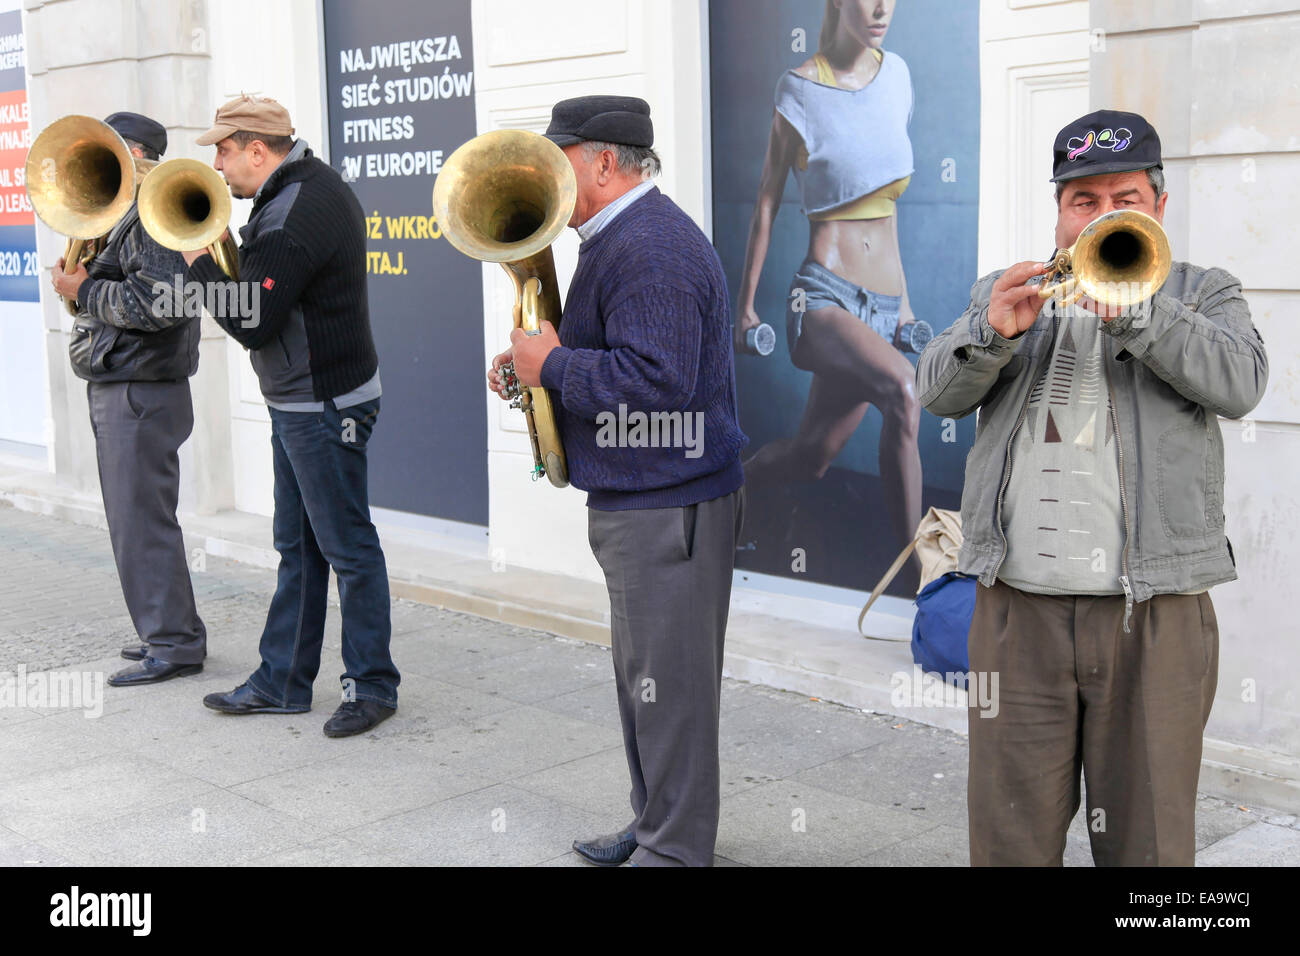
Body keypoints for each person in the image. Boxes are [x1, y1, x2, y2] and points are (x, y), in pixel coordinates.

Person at [916, 109, 1269, 865]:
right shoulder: (1007, 287)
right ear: (1059, 210)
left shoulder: (1204, 292)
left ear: (1158, 206)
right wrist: (992, 332)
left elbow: (1241, 383)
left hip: (1153, 617)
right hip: (1017, 614)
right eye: (1083, 200)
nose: (1103, 215)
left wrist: (1141, 311)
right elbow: (936, 392)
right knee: (1009, 836)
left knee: (1147, 843)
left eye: (1125, 198)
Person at [486, 95, 747, 866]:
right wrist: (534, 373)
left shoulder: (650, 246)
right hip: (649, 500)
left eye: (556, 159)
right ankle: (657, 825)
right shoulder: (620, 236)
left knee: (670, 694)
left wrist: (554, 365)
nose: (542, 177)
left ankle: (673, 850)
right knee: (649, 688)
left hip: (669, 504)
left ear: (603, 162)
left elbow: (659, 383)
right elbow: (629, 358)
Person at [182, 95, 399, 738]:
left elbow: (253, 320)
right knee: (300, 547)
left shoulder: (291, 212)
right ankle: (283, 680)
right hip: (309, 399)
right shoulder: (303, 187)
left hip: (321, 404)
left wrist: (199, 266)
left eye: (223, 150)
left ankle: (372, 687)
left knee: (346, 546)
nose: (217, 165)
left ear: (258, 150)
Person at [735, 0, 924, 590]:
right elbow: (766, 200)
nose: (880, 8)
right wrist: (745, 307)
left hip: (884, 306)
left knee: (809, 459)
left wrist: (906, 305)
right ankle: (919, 575)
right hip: (820, 300)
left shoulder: (897, 78)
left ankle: (721, 498)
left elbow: (888, 212)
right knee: (902, 389)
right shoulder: (797, 90)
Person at [51, 111, 207, 688]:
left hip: (140, 390)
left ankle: (174, 642)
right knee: (133, 519)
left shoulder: (152, 215)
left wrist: (82, 288)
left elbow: (163, 306)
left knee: (141, 521)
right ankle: (164, 629)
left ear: (138, 158)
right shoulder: (124, 218)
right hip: (128, 385)